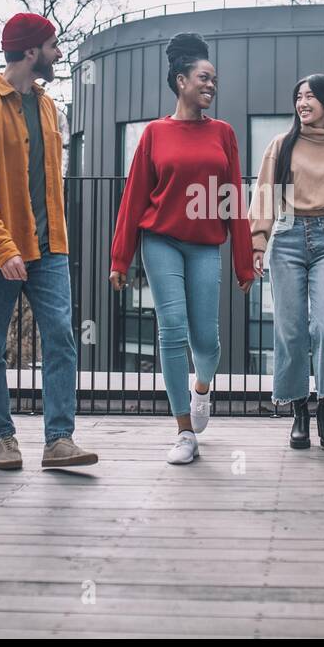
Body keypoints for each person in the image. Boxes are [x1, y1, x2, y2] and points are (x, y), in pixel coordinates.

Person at [0, 12, 98, 471]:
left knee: (61, 338)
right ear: (31, 51)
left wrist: (53, 241)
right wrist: (5, 249)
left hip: (50, 249)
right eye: (53, 45)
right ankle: (3, 439)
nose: (59, 53)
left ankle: (59, 440)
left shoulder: (46, 106)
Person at [109, 33, 255, 464]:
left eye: (214, 80)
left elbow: (232, 197)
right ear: (181, 81)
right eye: (203, 78)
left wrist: (244, 264)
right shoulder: (154, 134)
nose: (211, 85)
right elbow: (134, 198)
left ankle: (202, 389)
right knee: (171, 330)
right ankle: (183, 432)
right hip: (160, 241)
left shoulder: (223, 134)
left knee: (206, 342)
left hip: (205, 246)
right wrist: (120, 258)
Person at [249, 74, 324, 450]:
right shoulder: (282, 145)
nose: (302, 102)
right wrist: (257, 245)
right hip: (286, 239)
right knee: (291, 329)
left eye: (311, 97)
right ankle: (299, 410)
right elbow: (266, 196)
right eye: (298, 96)